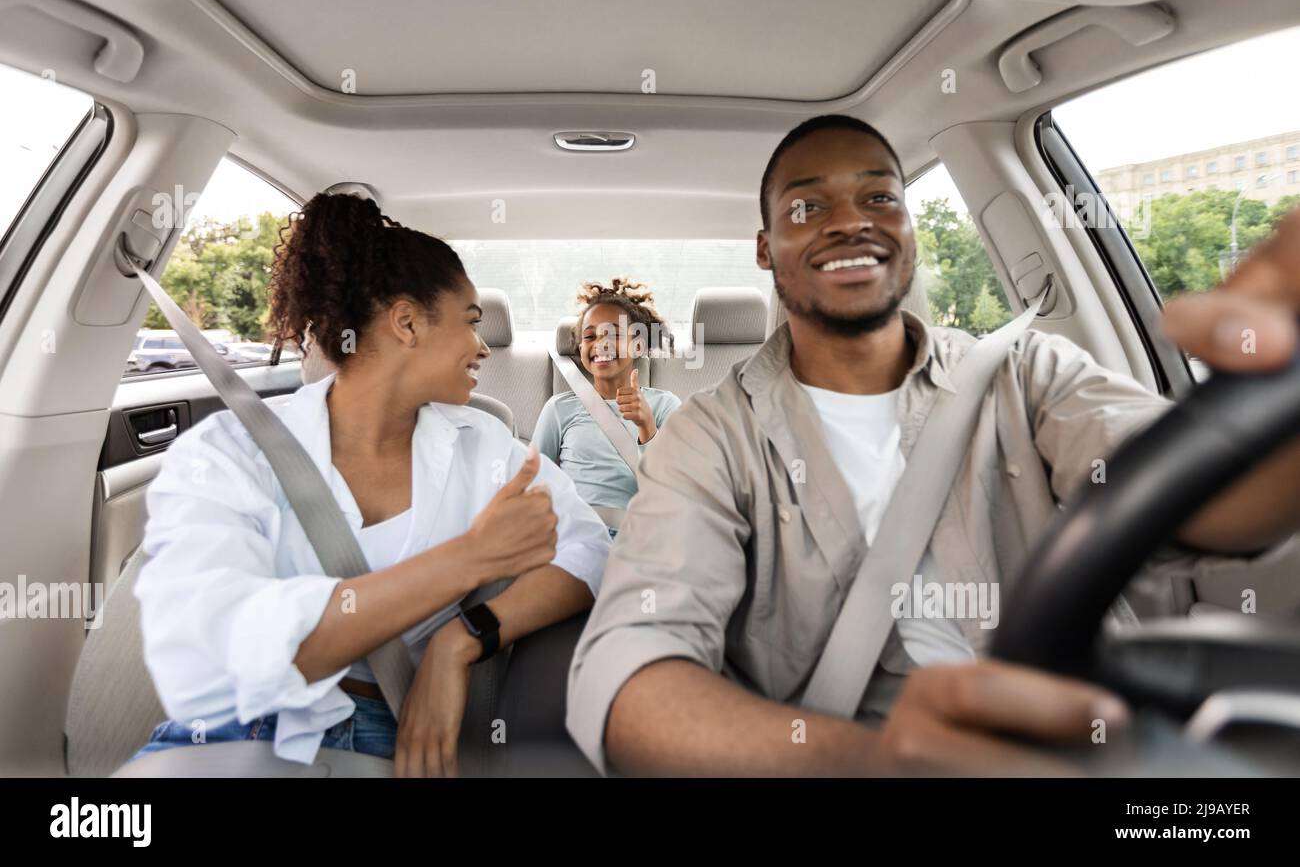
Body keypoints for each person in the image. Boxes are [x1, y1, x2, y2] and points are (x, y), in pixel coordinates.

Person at [566, 114, 1300, 776]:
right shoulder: (711, 435)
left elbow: (1208, 503)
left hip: (1083, 746)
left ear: (912, 226)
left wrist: (1273, 398)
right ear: (765, 247)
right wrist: (879, 765)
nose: (851, 222)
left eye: (880, 197)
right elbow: (629, 678)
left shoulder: (1029, 374)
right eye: (807, 205)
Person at [132, 192, 610, 777]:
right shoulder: (228, 452)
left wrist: (461, 640)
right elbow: (224, 655)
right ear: (408, 322)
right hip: (220, 739)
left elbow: (590, 553)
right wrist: (467, 561)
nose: (482, 346)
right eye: (470, 322)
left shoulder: (485, 449)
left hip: (393, 737)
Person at [534, 279, 681, 536]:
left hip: (643, 539)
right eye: (589, 336)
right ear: (580, 348)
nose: (600, 344)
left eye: (614, 334)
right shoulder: (559, 409)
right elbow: (534, 482)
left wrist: (648, 428)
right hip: (575, 536)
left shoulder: (664, 406)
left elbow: (676, 492)